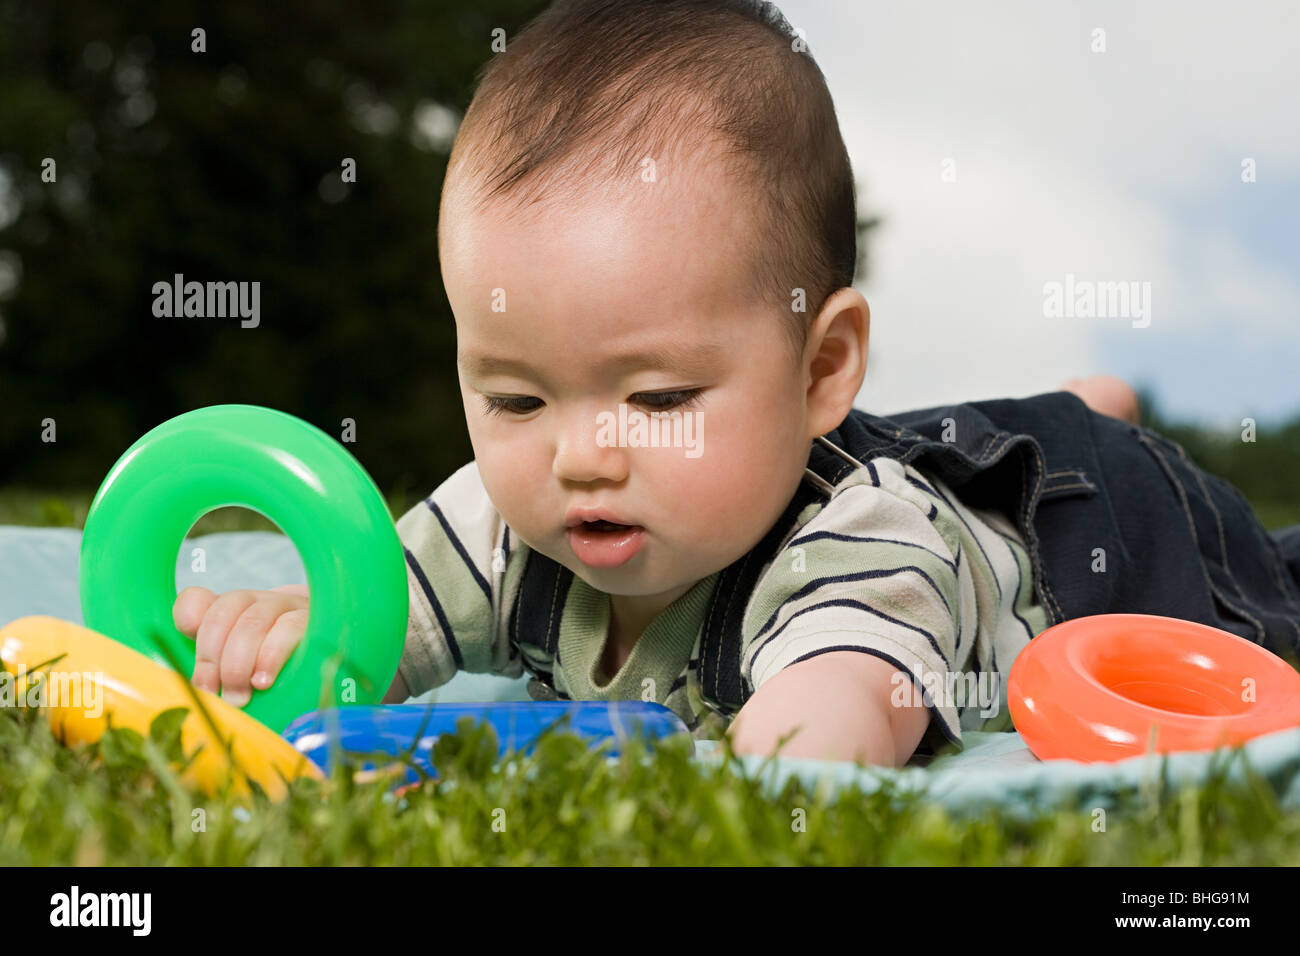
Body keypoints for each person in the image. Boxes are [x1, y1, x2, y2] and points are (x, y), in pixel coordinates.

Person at [172, 0, 1300, 767]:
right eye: (516, 397)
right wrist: (303, 632)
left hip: (1116, 527)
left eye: (656, 399)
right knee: (885, 453)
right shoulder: (510, 514)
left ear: (820, 363)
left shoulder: (861, 550)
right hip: (859, 457)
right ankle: (1065, 406)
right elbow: (389, 616)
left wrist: (804, 735)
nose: (578, 454)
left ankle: (1086, 429)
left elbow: (846, 695)